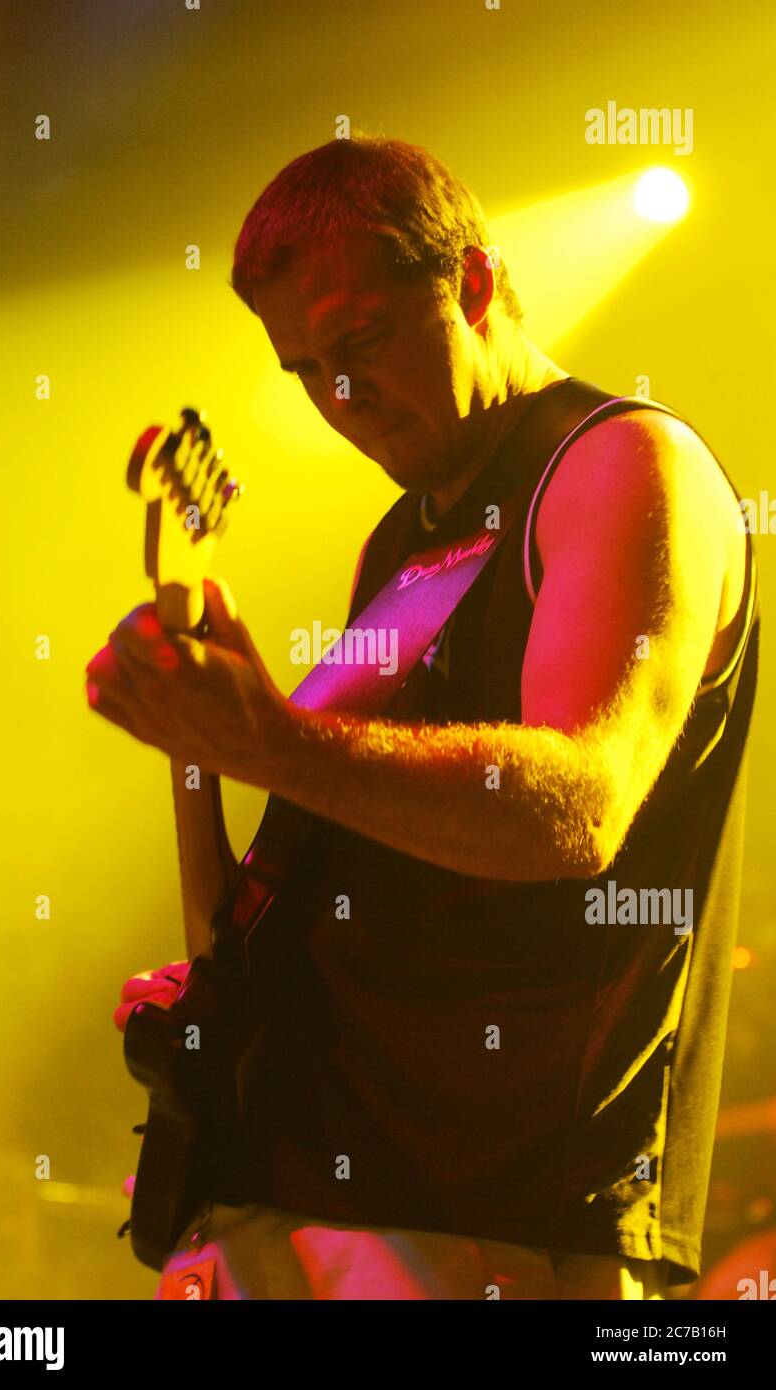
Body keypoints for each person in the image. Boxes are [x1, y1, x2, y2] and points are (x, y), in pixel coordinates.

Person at [90, 135, 759, 1300]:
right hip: (289, 1194)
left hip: (485, 1218)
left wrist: (265, 735)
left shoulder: (618, 462)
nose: (339, 401)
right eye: (304, 370)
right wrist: (197, 748)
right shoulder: (401, 540)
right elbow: (238, 929)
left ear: (477, 283)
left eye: (358, 343)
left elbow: (574, 809)